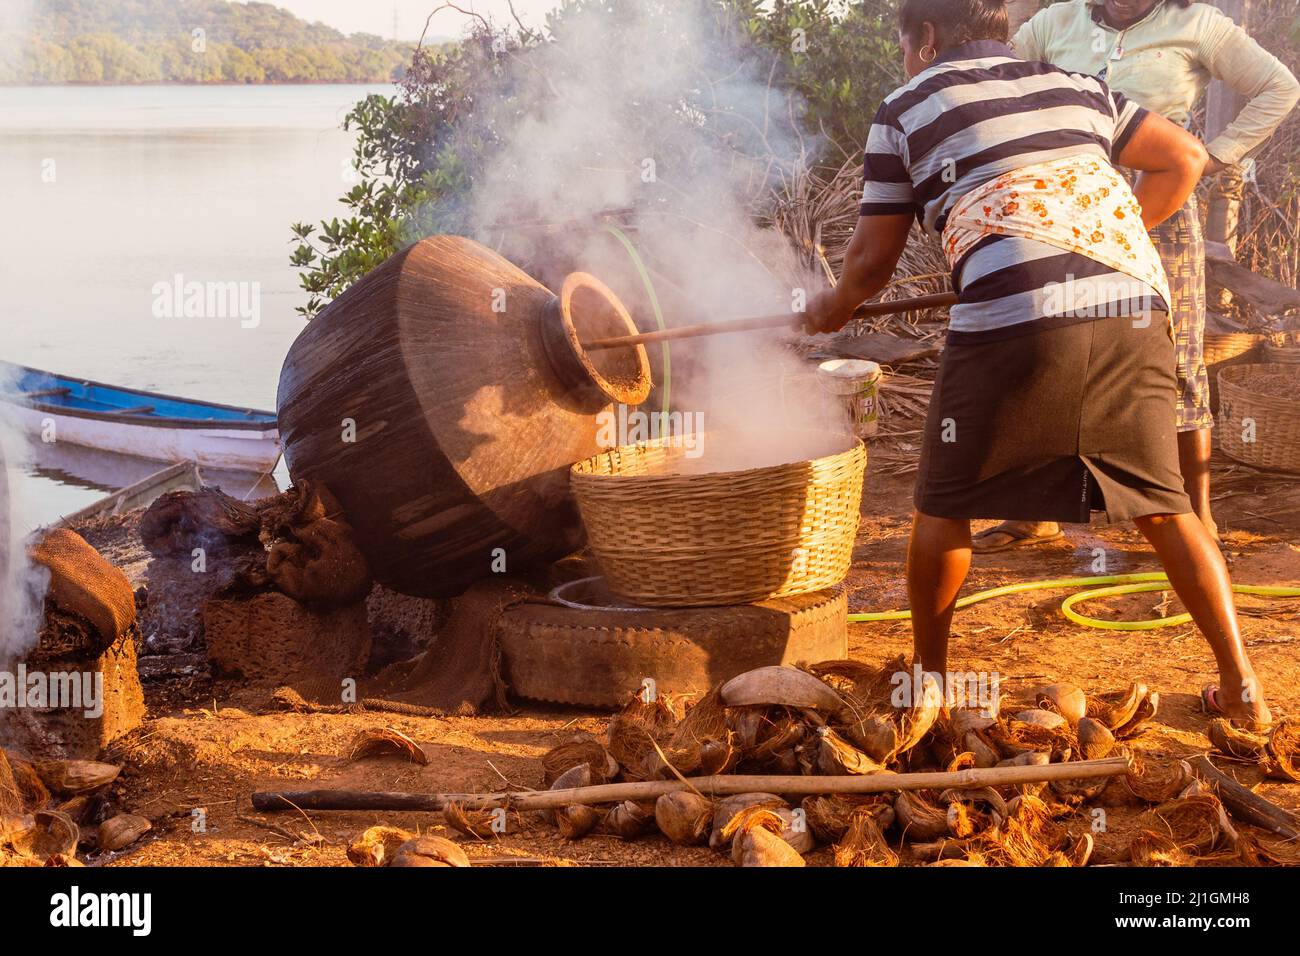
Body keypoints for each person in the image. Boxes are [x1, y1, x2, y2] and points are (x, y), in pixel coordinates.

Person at [804, 0, 1271, 727]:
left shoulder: (905, 107)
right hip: (1134, 306)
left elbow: (867, 266)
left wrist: (826, 311)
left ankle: (927, 686)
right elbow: (1184, 158)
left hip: (1013, 317)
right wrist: (1096, 234)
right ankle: (1245, 693)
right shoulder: (1073, 84)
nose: (904, 57)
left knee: (942, 505)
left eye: (903, 42)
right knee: (1167, 508)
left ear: (923, 38)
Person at [973, 0, 1300, 554]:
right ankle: (1034, 510)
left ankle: (1197, 515)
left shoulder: (1198, 25)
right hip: (1062, 203)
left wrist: (1216, 156)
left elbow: (1279, 86)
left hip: (1160, 196)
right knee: (1047, 347)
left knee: (1175, 354)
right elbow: (995, 76)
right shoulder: (1056, 22)